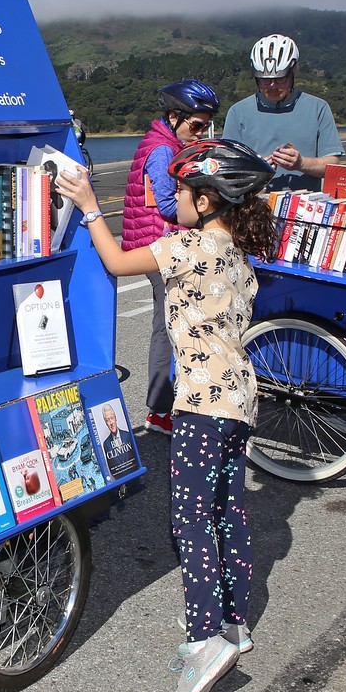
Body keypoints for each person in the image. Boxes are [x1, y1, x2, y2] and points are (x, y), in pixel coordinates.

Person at [57, 138, 276, 692]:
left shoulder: (185, 246)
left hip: (203, 404)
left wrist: (87, 204)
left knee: (190, 520)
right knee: (228, 510)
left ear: (206, 200)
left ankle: (203, 638)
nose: (170, 197)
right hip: (240, 399)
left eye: (179, 190)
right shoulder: (238, 255)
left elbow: (116, 261)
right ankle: (234, 623)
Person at [121, 79, 220, 436]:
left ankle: (166, 403)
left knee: (171, 323)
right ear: (175, 116)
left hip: (158, 242)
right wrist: (210, 206)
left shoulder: (165, 142)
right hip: (158, 245)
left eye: (206, 125)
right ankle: (159, 410)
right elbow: (166, 206)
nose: (201, 132)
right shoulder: (163, 151)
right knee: (167, 327)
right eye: (196, 125)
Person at [222, 34, 345, 191]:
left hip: (303, 208)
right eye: (264, 80)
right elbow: (227, 168)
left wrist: (301, 164)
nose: (272, 86)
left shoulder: (318, 108)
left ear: (293, 71)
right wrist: (255, 170)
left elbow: (332, 165)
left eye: (280, 79)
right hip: (253, 208)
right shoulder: (238, 112)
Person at [97, 403, 138, 478]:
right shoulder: (106, 444)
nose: (111, 423)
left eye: (112, 418)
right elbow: (111, 468)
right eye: (108, 420)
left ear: (116, 418)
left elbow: (136, 456)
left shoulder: (127, 435)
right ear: (106, 423)